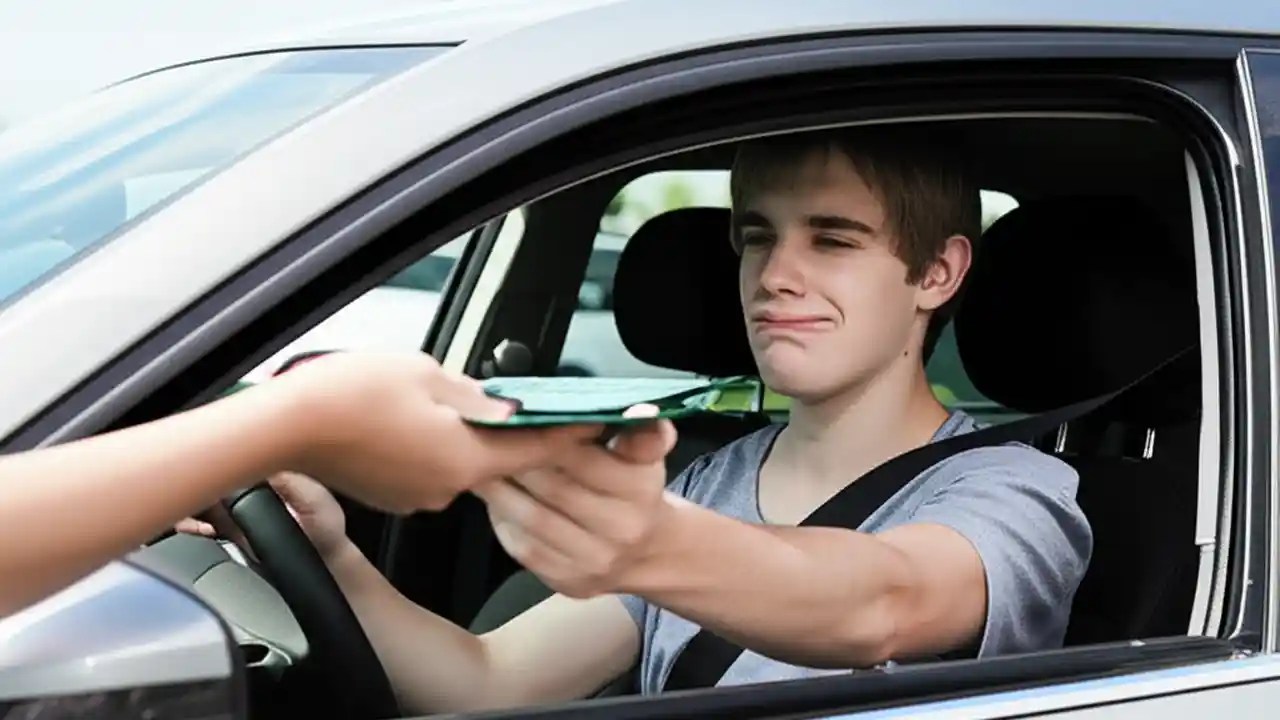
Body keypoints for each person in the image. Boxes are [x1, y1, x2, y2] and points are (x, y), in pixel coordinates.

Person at [184, 126, 1092, 713]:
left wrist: (639, 539)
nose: (775, 274)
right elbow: (485, 684)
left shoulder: (1016, 490)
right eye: (756, 235)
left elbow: (881, 604)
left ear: (936, 274)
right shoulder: (707, 484)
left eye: (834, 239)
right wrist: (329, 550)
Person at [0, 351, 599, 618]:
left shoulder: (688, 500)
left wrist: (299, 420)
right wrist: (329, 548)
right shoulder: (684, 501)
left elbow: (492, 686)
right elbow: (490, 680)